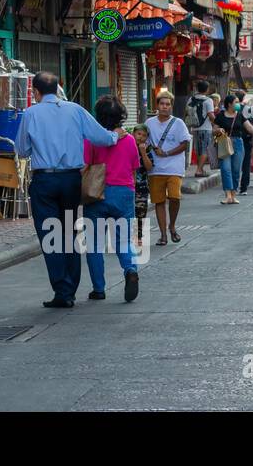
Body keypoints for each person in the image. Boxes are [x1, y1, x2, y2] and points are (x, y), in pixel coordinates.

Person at [15, 70, 123, 308]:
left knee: (49, 235)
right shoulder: (75, 110)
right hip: (71, 180)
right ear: (58, 88)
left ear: (36, 92)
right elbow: (101, 138)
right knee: (68, 233)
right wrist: (117, 137)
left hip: (44, 180)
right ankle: (70, 287)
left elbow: (22, 150)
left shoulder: (31, 114)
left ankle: (62, 291)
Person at [82, 96, 141, 303]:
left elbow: (85, 166)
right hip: (124, 192)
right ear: (121, 116)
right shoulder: (130, 140)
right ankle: (130, 269)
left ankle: (99, 288)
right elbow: (134, 170)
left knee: (94, 245)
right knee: (123, 240)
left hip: (97, 193)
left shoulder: (92, 139)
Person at [145, 90, 191, 246]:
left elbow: (185, 144)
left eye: (167, 104)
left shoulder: (178, 123)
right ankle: (163, 234)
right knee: (158, 201)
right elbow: (143, 139)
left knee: (174, 197)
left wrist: (166, 153)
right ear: (157, 105)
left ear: (171, 106)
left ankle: (172, 225)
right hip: (155, 169)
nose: (164, 107)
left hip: (174, 168)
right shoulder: (149, 123)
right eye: (161, 104)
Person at [212, 94, 248, 205]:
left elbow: (248, 126)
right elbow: (213, 130)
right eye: (236, 102)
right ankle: (227, 195)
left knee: (236, 170)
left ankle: (233, 195)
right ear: (229, 104)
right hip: (224, 142)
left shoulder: (240, 115)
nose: (238, 104)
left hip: (238, 143)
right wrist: (219, 130)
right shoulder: (221, 115)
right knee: (225, 168)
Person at [236, 93, 253, 195]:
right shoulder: (249, 109)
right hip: (246, 138)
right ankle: (244, 188)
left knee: (234, 163)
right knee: (246, 163)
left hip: (232, 139)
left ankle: (233, 187)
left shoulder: (227, 110)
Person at [186, 80, 215, 177]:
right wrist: (217, 123)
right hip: (205, 128)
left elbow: (187, 112)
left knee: (199, 150)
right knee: (206, 149)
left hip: (195, 127)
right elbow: (210, 115)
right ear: (207, 89)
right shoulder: (208, 100)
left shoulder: (191, 99)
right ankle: (199, 170)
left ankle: (201, 169)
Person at [131, 125, 153, 250]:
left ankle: (138, 236)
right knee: (129, 212)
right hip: (128, 186)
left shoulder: (147, 150)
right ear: (133, 134)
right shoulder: (127, 147)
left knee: (141, 212)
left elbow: (149, 167)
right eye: (139, 134)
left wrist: (143, 153)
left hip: (142, 187)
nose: (141, 137)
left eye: (144, 136)